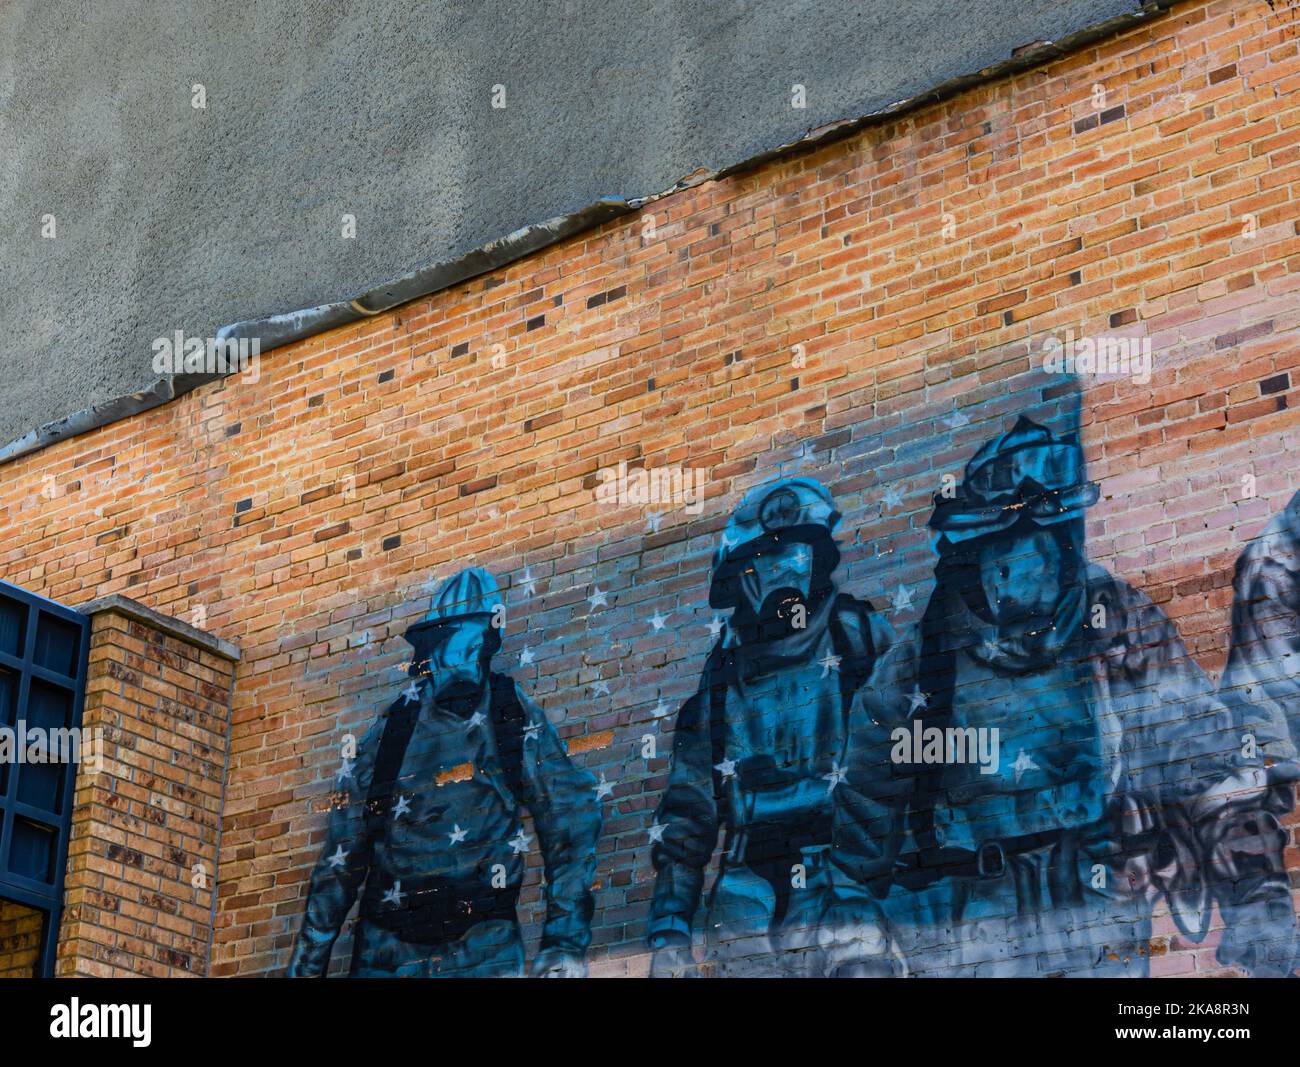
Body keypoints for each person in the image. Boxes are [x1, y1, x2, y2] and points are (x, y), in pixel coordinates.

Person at [889, 415, 1293, 976]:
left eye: (1043, 543)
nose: (1024, 570)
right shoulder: (925, 654)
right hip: (975, 927)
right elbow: (865, 814)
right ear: (971, 552)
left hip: (1101, 909)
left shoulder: (1119, 622)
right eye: (1005, 547)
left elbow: (1207, 762)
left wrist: (1257, 899)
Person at [646, 477, 908, 977]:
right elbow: (687, 814)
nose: (785, 568)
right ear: (738, 573)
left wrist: (884, 879)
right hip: (746, 893)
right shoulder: (721, 677)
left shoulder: (858, 638)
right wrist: (670, 929)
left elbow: (910, 764)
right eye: (766, 556)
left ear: (820, 559)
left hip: (847, 877)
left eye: (800, 551)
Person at [287, 566, 602, 977]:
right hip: (387, 954)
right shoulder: (391, 735)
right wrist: (307, 968)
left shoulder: (511, 715)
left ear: (490, 642)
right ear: (432, 648)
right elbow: (340, 859)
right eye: (455, 643)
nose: (464, 659)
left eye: (476, 644)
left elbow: (571, 821)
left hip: (484, 952)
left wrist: (565, 942)